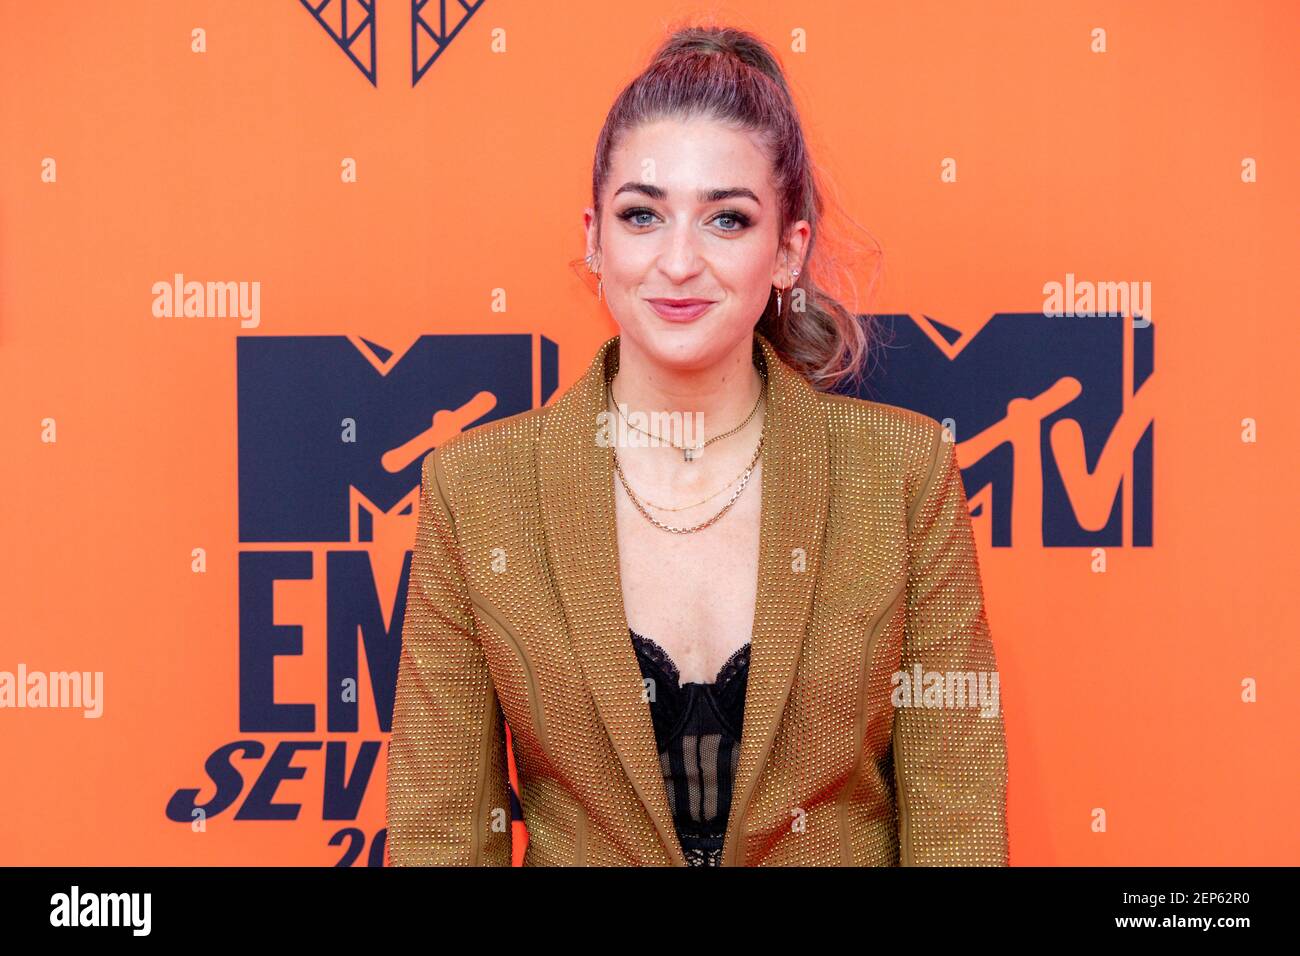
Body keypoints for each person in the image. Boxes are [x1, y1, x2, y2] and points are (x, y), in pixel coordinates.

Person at [387, 24, 1008, 866]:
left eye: (727, 219)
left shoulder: (901, 476)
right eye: (642, 214)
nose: (679, 262)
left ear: (788, 252)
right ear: (594, 241)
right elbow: (441, 839)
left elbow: (956, 826)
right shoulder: (477, 490)